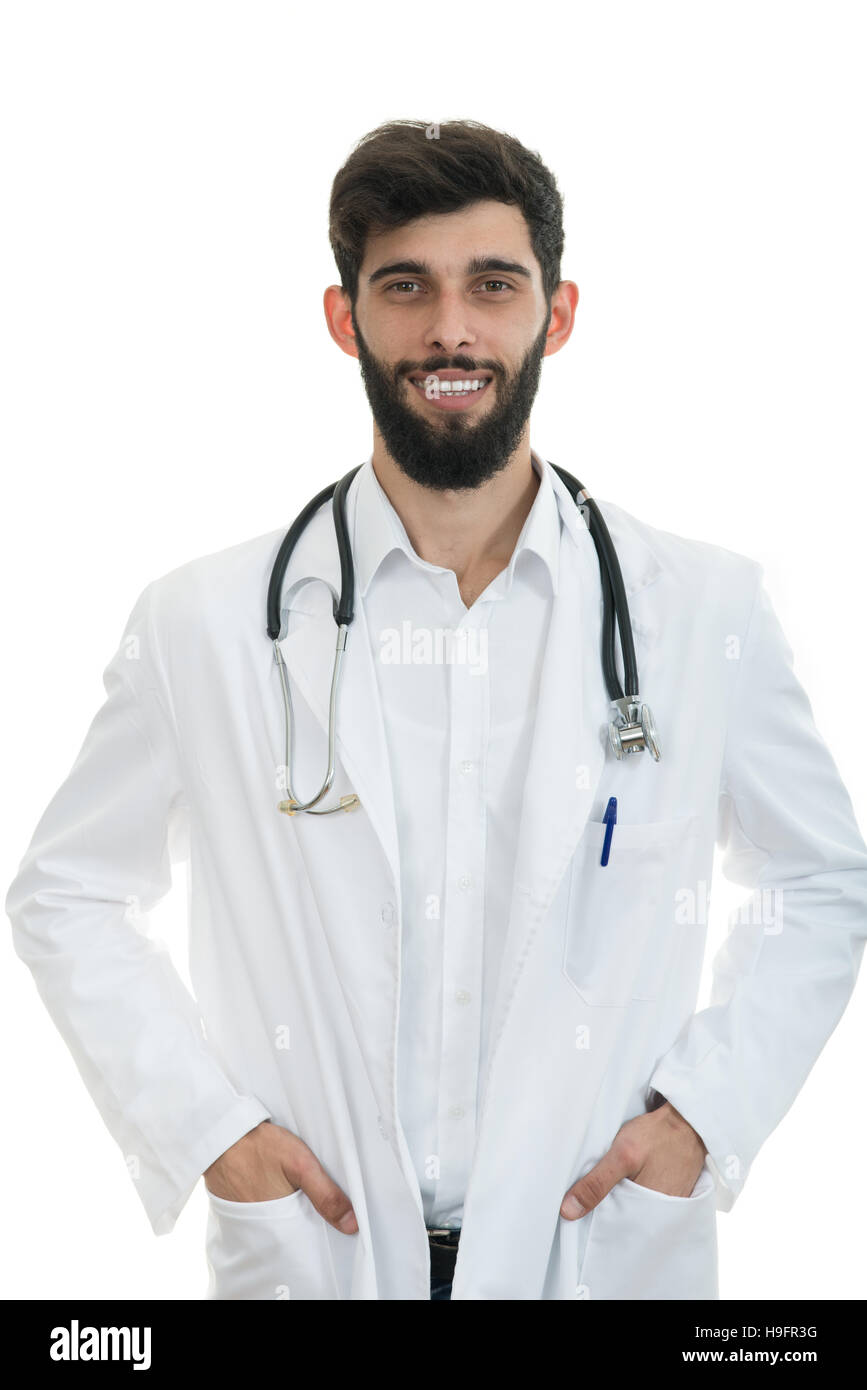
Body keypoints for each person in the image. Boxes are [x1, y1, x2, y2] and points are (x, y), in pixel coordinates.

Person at [7, 118, 867, 1302]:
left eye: (493, 285)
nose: (451, 329)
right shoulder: (201, 625)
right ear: (344, 317)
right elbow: (68, 894)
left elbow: (822, 879)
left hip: (601, 1246)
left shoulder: (700, 610)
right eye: (405, 286)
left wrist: (705, 1117)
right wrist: (208, 1129)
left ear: (556, 316)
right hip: (316, 1251)